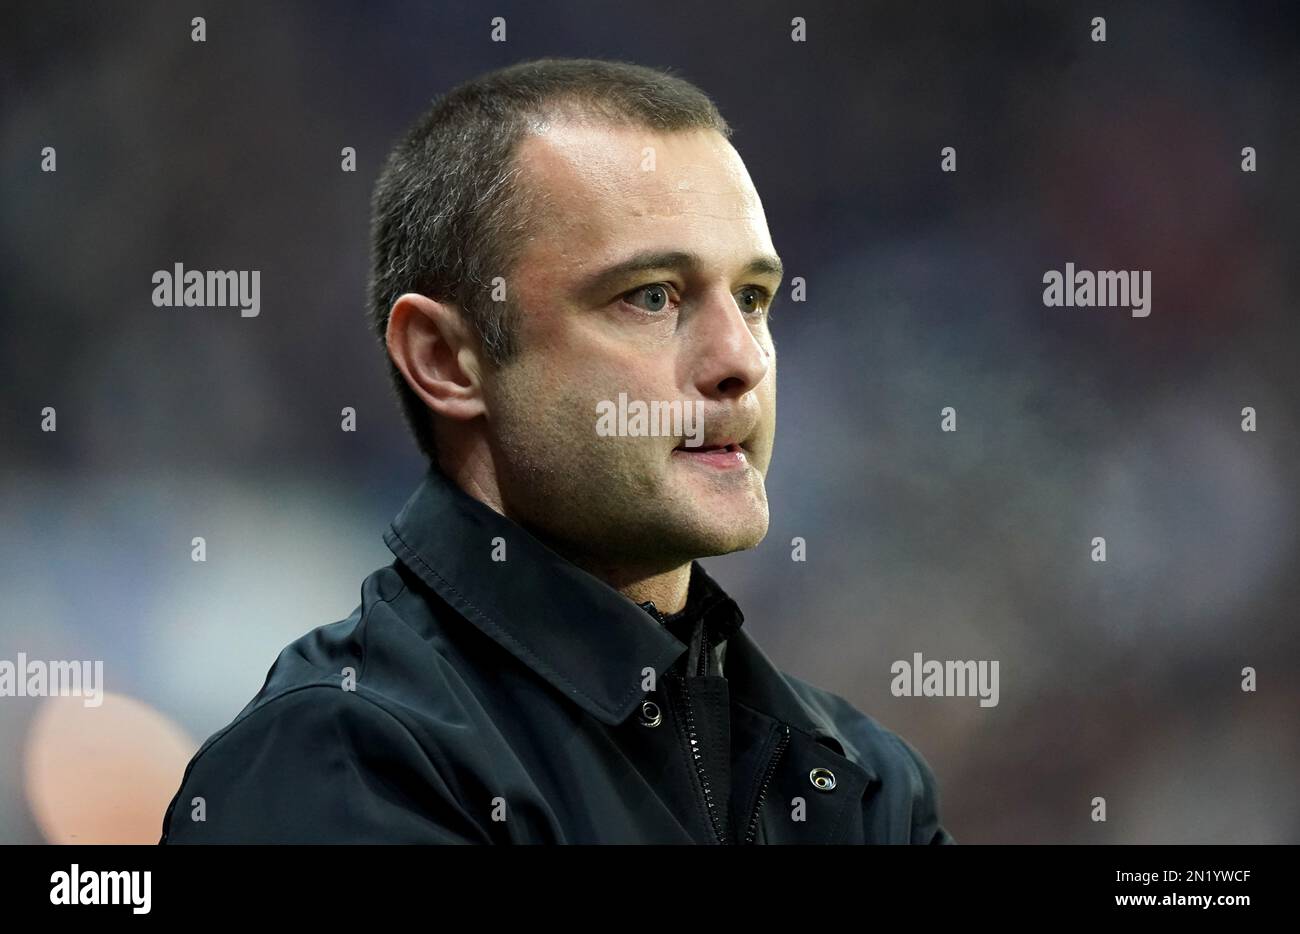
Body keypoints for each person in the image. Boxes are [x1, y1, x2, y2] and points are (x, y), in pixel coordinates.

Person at [160, 57, 953, 844]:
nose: (741, 359)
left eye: (752, 298)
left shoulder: (866, 778)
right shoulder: (340, 763)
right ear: (444, 359)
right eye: (652, 296)